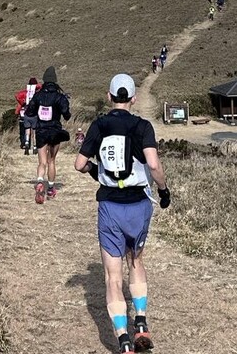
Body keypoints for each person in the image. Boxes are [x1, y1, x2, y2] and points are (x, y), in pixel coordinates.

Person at [74, 73, 170, 354]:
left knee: (112, 277)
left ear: (109, 97)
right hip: (139, 205)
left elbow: (80, 164)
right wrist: (163, 191)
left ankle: (123, 340)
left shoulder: (99, 125)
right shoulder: (142, 126)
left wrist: (96, 171)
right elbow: (153, 164)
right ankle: (140, 323)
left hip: (110, 207)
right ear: (133, 98)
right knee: (136, 262)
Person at [24, 65, 71, 203]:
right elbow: (67, 115)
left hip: (41, 131)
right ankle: (50, 188)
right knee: (52, 160)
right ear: (55, 80)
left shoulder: (38, 96)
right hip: (55, 131)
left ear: (44, 80)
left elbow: (29, 112)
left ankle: (39, 182)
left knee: (42, 162)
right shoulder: (59, 96)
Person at [15, 74, 40, 155]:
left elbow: (17, 96)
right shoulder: (37, 94)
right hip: (35, 115)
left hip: (26, 115)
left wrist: (23, 102)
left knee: (27, 130)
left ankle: (26, 142)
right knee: (34, 131)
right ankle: (35, 146)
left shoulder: (25, 93)